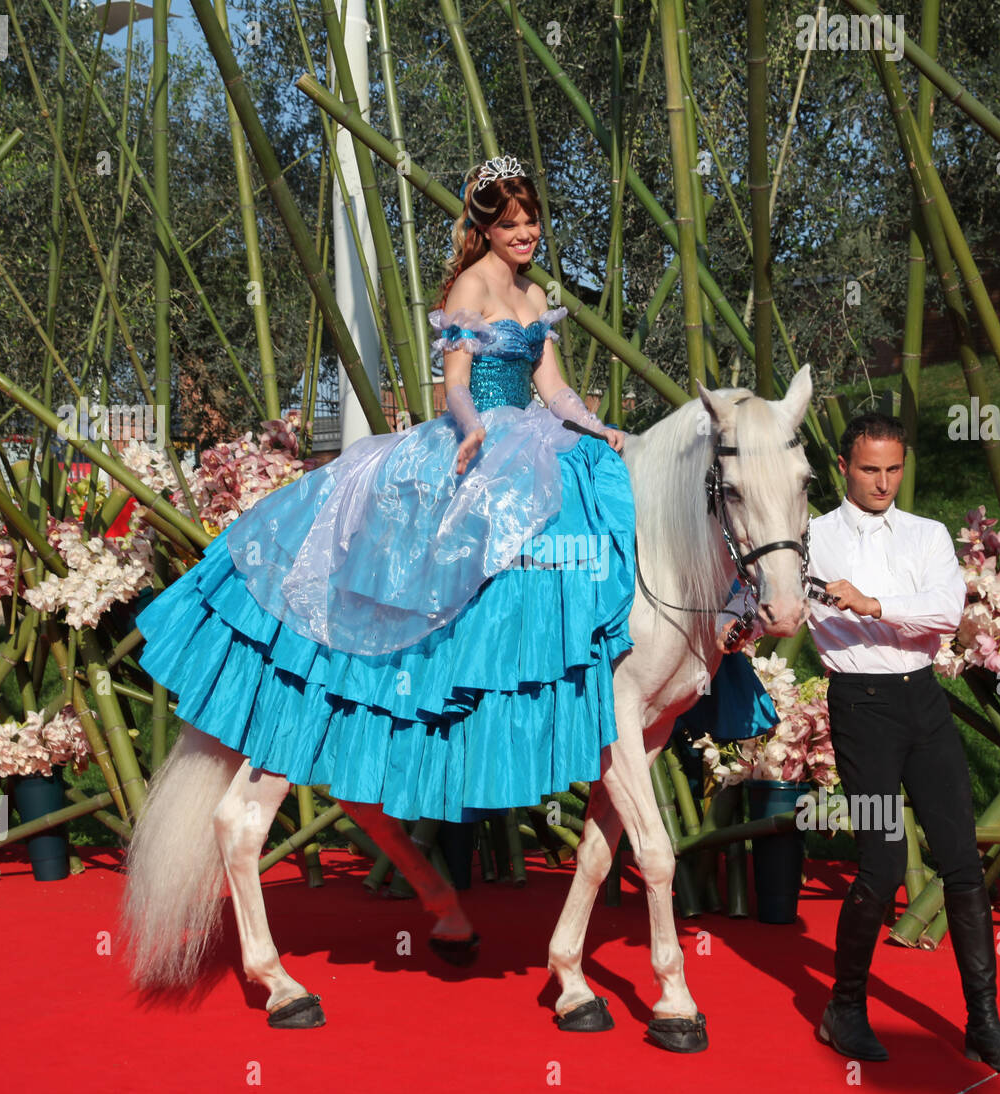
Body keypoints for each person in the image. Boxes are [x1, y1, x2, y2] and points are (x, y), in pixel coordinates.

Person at [134, 155, 636, 828]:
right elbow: (455, 382)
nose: (526, 234)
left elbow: (554, 387)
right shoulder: (470, 289)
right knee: (438, 558)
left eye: (533, 221)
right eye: (512, 223)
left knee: (568, 524)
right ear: (485, 227)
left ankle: (519, 694)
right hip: (477, 437)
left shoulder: (536, 298)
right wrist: (468, 430)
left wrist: (594, 423)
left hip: (532, 444)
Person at [805, 412, 1000, 1075]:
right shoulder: (812, 539)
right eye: (870, 468)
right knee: (881, 864)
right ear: (845, 467)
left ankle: (984, 1024)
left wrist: (874, 605)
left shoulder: (929, 533)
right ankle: (843, 1007)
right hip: (861, 709)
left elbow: (947, 614)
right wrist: (886, 606)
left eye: (894, 468)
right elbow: (815, 610)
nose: (883, 482)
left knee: (963, 863)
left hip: (925, 704)